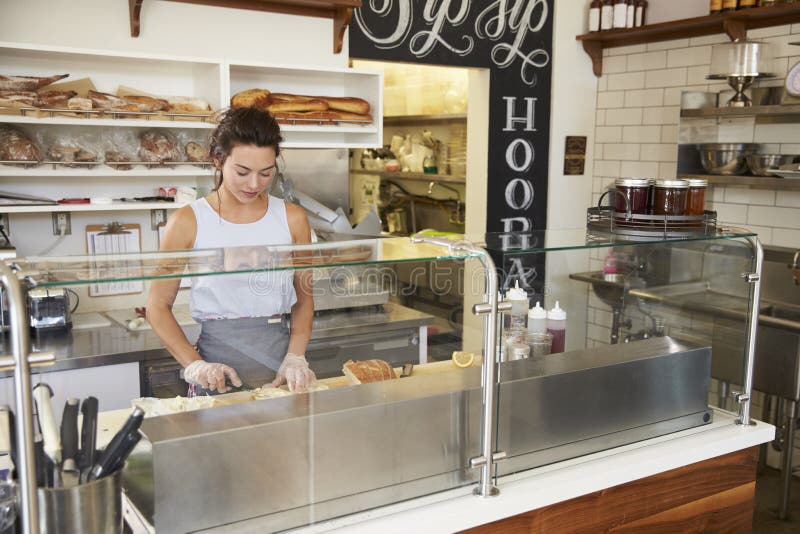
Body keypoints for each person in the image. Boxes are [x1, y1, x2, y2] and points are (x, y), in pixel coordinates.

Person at [147, 107, 315, 394]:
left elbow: (304, 299)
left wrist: (296, 357)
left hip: (281, 371)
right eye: (242, 172)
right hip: (214, 373)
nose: (254, 185)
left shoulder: (293, 217)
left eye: (266, 173)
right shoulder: (187, 221)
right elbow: (157, 307)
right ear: (218, 161)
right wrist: (195, 365)